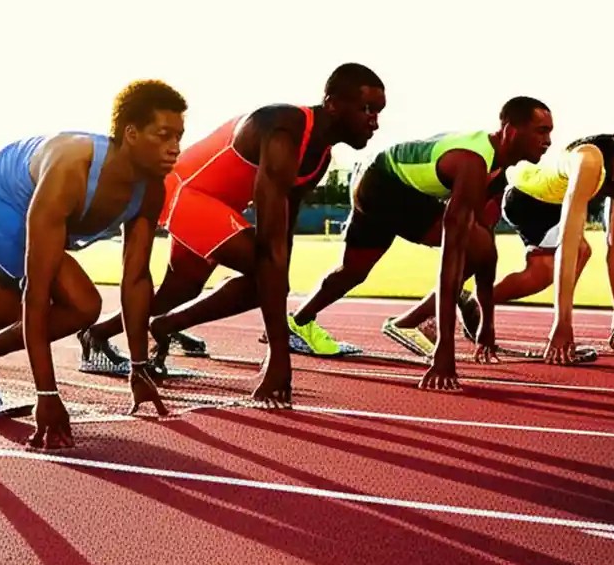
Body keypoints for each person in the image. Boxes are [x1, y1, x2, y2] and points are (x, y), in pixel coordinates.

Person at [77, 63, 386, 406]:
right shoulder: (283, 130)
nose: (374, 121)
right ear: (331, 103)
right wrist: (279, 359)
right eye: (366, 109)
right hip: (183, 193)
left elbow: (283, 233)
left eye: (378, 112)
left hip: (213, 205)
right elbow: (268, 249)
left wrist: (279, 272)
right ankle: (164, 326)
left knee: (182, 289)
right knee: (266, 274)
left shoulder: (319, 158)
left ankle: (100, 333)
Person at [0, 79, 185, 451]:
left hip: (39, 207)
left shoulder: (151, 189)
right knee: (83, 304)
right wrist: (47, 393)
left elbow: (136, 278)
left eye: (179, 136)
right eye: (164, 135)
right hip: (2, 203)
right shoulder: (73, 168)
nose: (175, 149)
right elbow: (36, 292)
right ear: (131, 133)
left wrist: (139, 367)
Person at [287, 97, 554, 390]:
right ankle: (408, 322)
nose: (548, 141)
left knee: (353, 270)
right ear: (512, 131)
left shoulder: (497, 171)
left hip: (382, 178)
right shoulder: (472, 163)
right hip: (384, 184)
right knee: (471, 246)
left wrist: (488, 326)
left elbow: (486, 252)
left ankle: (297, 322)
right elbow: (453, 254)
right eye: (541, 131)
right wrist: (444, 352)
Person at [491, 99, 614, 363]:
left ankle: (467, 303)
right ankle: (469, 305)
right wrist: (562, 324)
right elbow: (570, 240)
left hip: (550, 206)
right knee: (579, 252)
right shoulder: (590, 159)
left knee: (540, 273)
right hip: (527, 198)